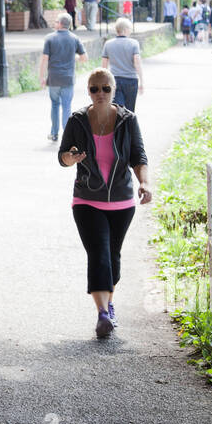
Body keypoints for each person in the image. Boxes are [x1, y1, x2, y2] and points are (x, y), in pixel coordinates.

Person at [58, 65, 151, 339]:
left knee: (113, 258)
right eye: (94, 89)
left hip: (122, 202)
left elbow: (139, 156)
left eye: (105, 88)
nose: (100, 93)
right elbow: (62, 156)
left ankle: (109, 304)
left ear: (113, 90)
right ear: (88, 91)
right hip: (87, 199)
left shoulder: (127, 120)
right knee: (99, 253)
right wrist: (70, 158)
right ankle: (102, 314)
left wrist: (144, 182)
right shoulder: (77, 120)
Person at [40, 12, 88, 142]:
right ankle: (67, 136)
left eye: (56, 21)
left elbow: (44, 59)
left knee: (55, 105)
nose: (55, 23)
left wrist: (42, 77)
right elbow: (84, 58)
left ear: (60, 24)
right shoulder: (74, 38)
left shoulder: (49, 38)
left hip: (54, 78)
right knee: (67, 106)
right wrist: (75, 58)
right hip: (68, 79)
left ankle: (54, 133)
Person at [101, 17, 144, 111]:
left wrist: (103, 82)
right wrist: (141, 81)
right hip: (131, 80)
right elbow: (137, 63)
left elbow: (104, 66)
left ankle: (119, 126)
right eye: (130, 29)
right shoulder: (134, 44)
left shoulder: (108, 44)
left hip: (114, 80)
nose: (130, 31)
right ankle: (128, 126)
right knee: (129, 111)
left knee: (117, 111)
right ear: (125, 30)